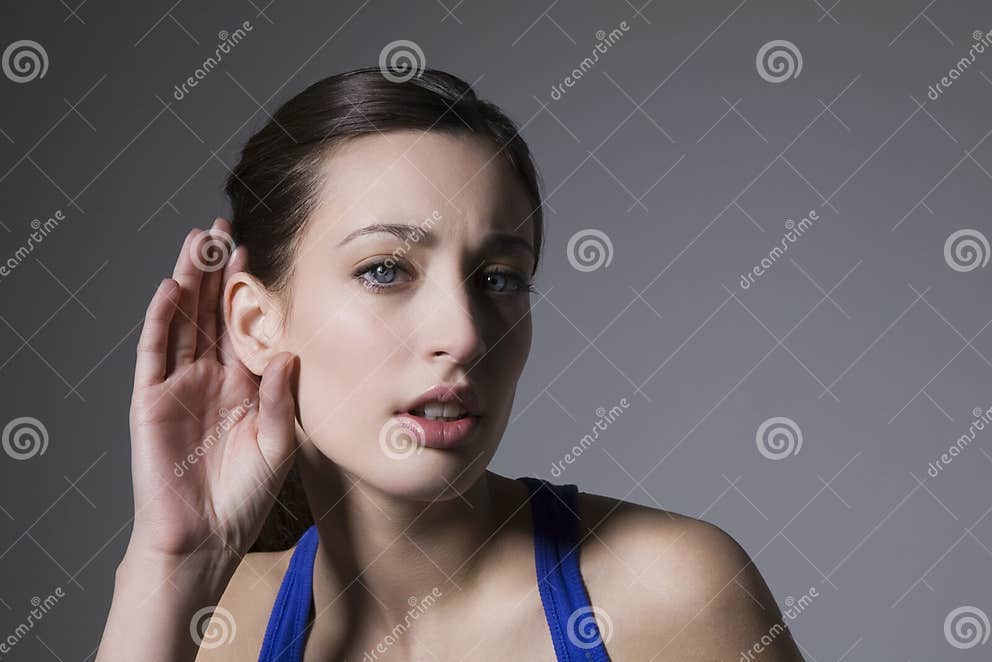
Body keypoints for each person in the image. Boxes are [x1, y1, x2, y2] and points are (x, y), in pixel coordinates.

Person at [95, 66, 805, 661]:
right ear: (256, 324)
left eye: (499, 278)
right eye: (384, 271)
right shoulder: (221, 626)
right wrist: (174, 563)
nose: (464, 335)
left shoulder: (671, 594)